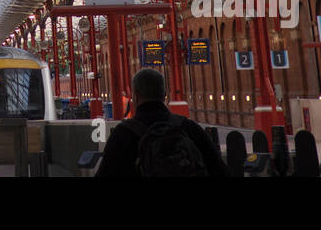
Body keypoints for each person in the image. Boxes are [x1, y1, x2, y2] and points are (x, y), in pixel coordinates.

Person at [95, 69, 226, 177]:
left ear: (135, 96)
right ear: (164, 95)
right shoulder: (189, 128)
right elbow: (219, 170)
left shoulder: (123, 134)